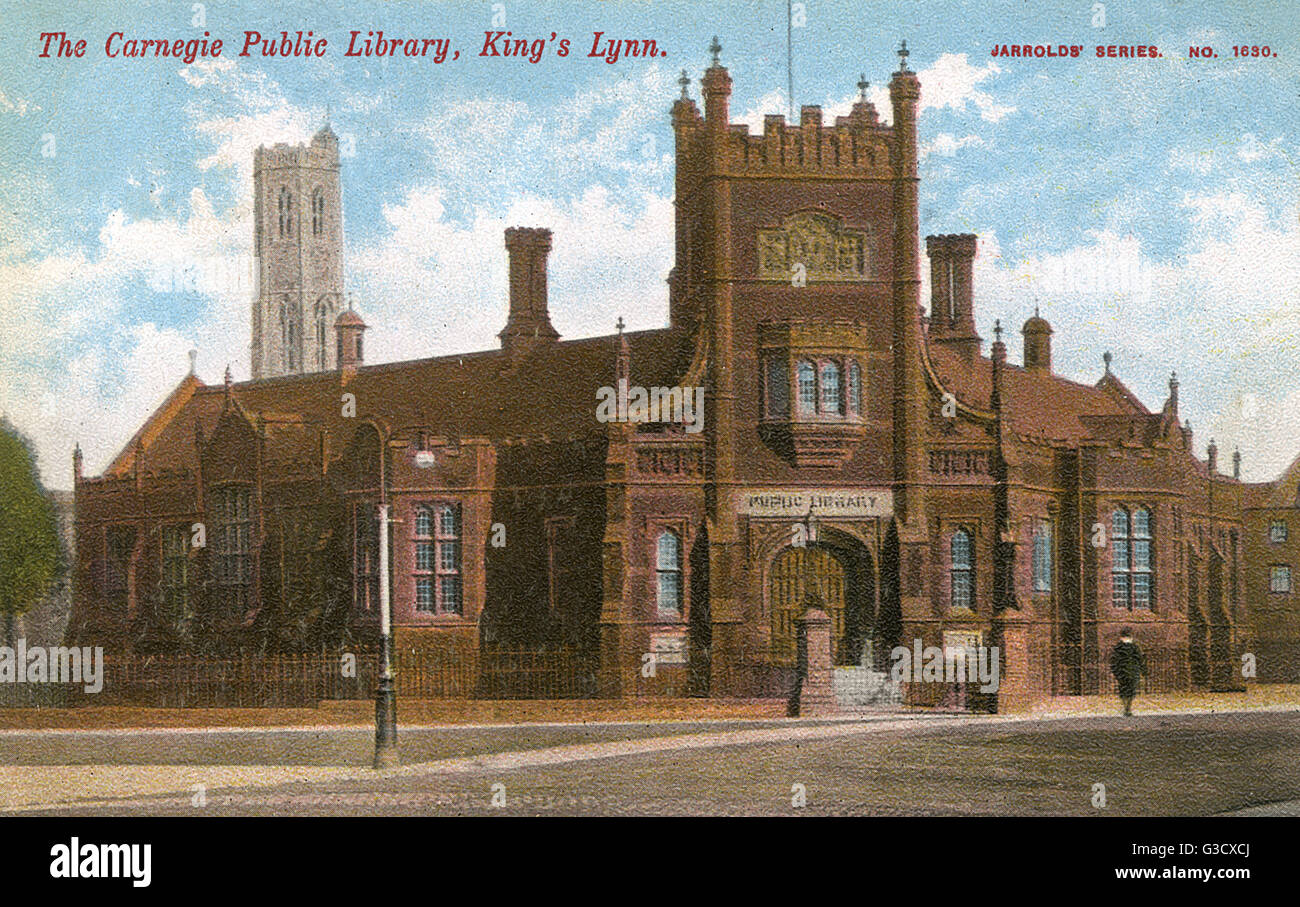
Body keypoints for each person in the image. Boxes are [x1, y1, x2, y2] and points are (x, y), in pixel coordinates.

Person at [1109, 627, 1146, 716]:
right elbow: (1140, 659)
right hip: (1133, 670)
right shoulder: (1135, 647)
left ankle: (1125, 707)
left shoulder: (1118, 647)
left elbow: (1114, 660)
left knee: (1123, 689)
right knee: (1131, 689)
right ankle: (1128, 707)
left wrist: (1114, 671)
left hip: (1122, 671)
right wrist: (1143, 670)